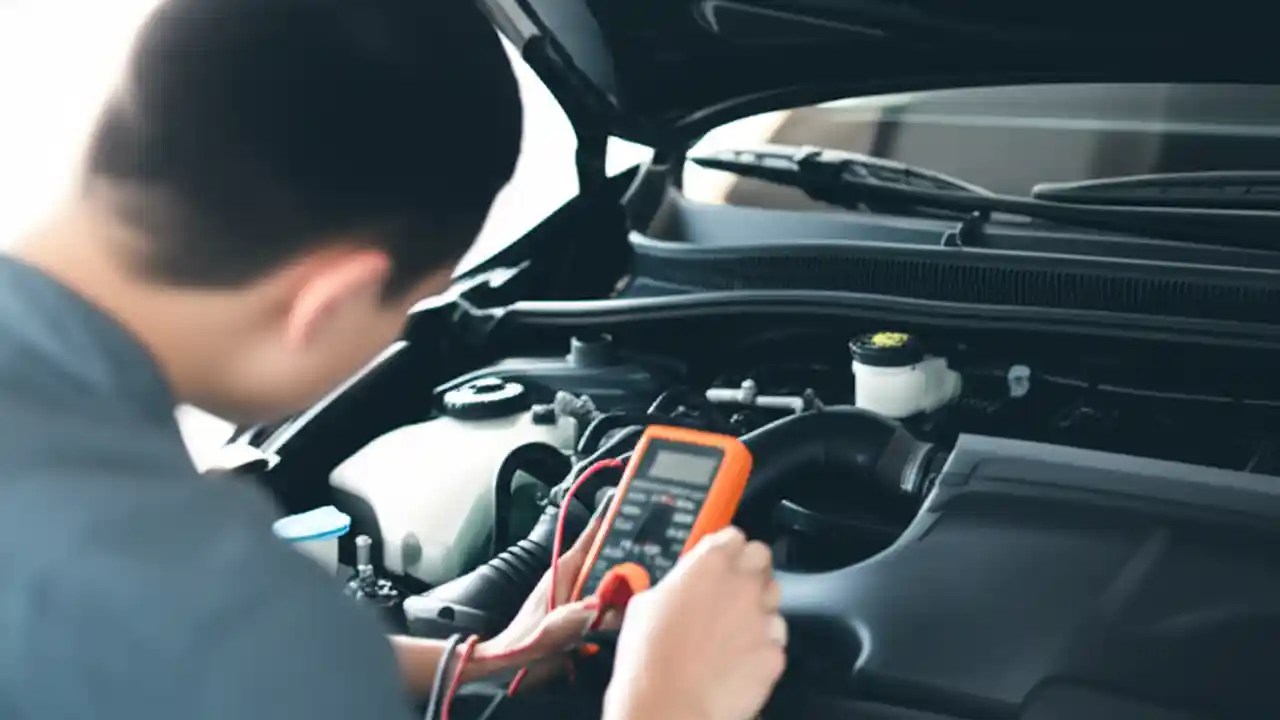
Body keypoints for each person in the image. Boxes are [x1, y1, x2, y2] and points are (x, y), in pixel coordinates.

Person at [0, 0, 787, 719]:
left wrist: (484, 658)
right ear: (331, 302)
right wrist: (668, 702)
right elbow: (200, 639)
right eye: (404, 305)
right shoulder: (213, 598)